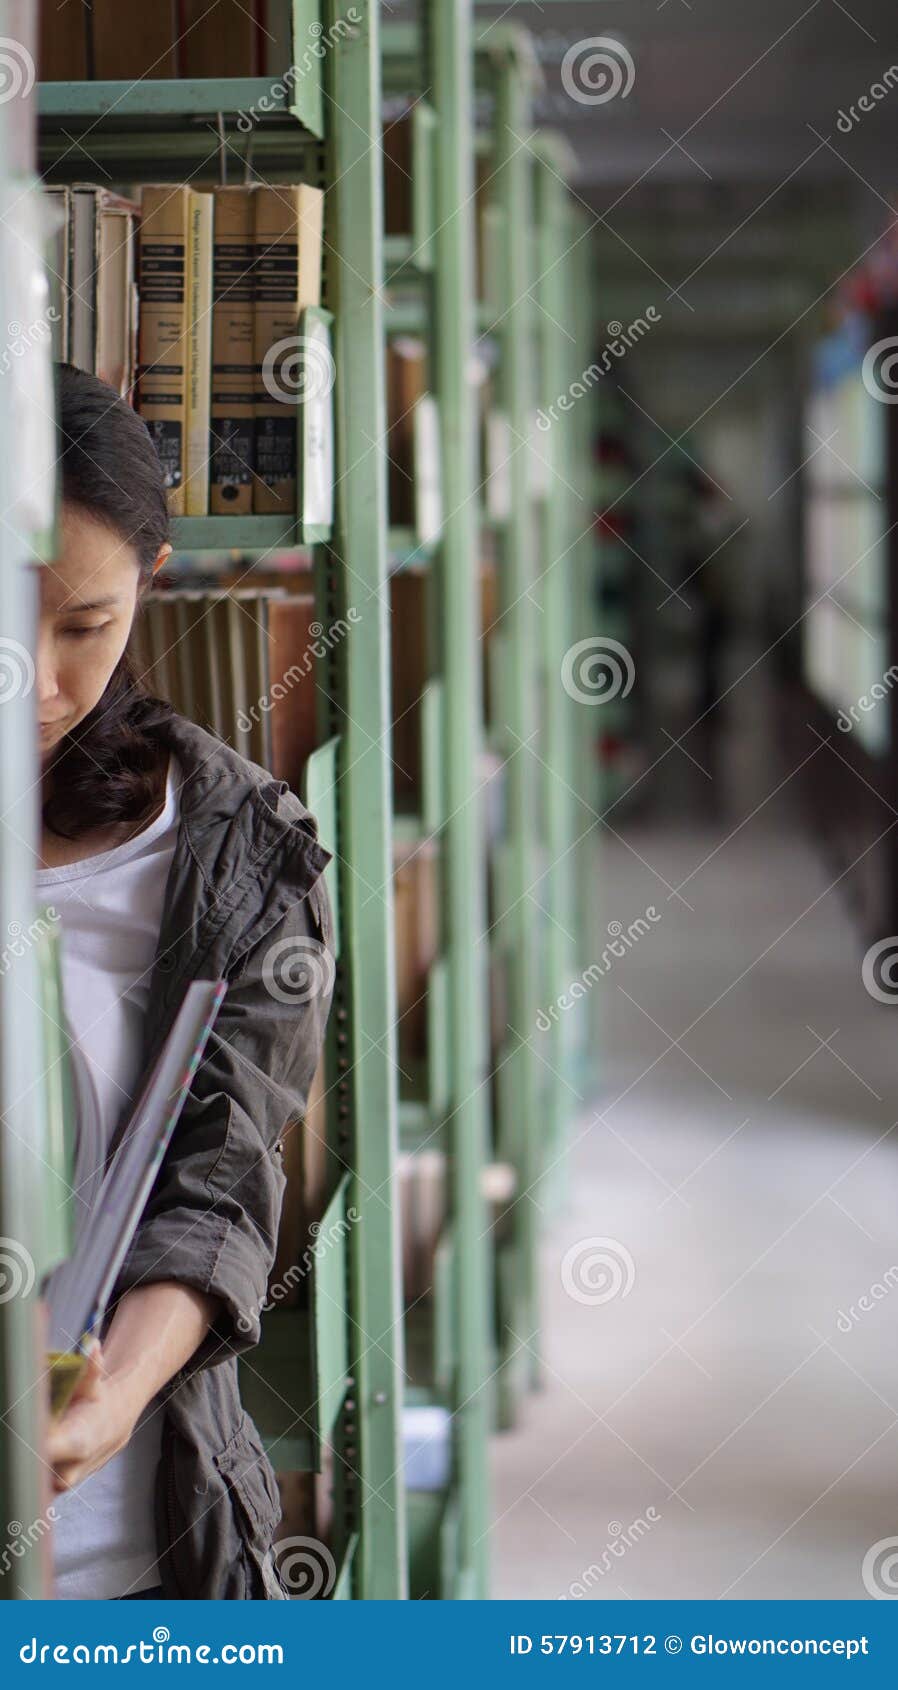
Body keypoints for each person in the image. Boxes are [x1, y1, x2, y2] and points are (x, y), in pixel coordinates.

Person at [37, 364, 335, 1598]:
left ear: (148, 589)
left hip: (128, 1558)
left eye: (82, 627)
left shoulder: (238, 852)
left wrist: (101, 1407)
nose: (34, 683)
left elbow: (217, 1184)